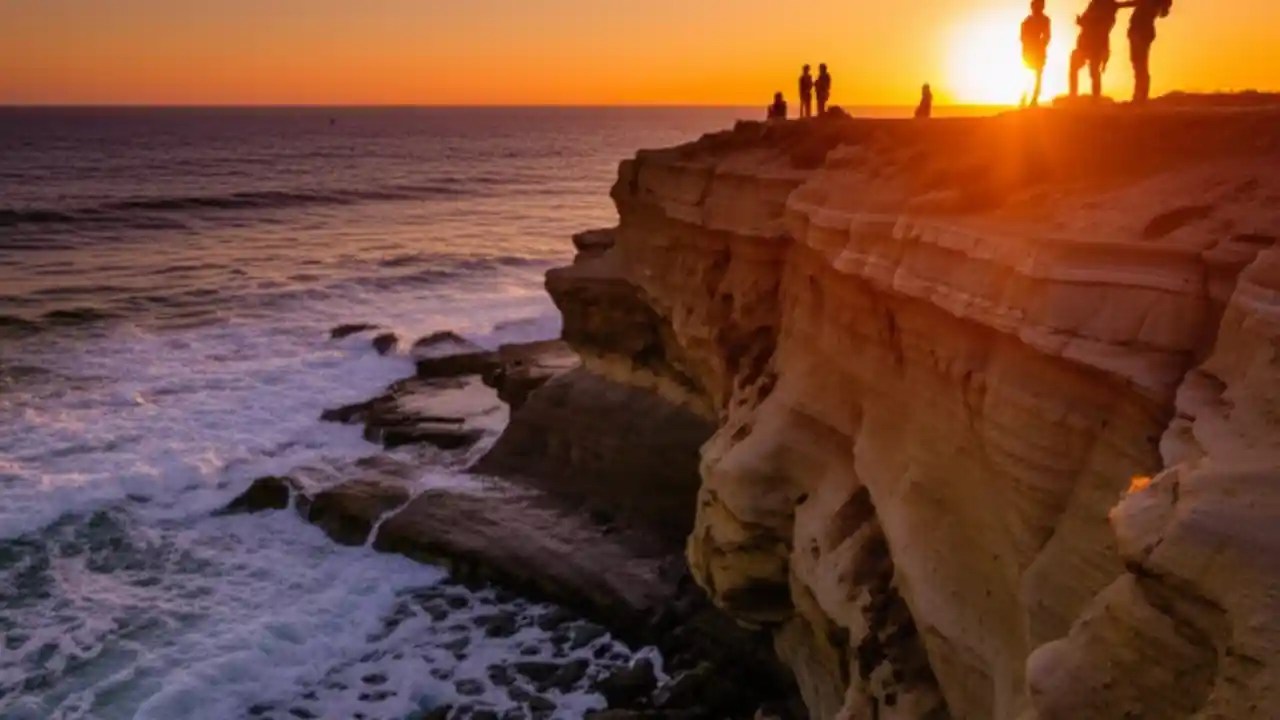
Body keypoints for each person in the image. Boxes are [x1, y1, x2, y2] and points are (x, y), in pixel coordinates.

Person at [1069, 0, 1135, 99]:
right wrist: (1081, 21)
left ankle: (1095, 98)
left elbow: (1102, 26)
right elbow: (1085, 21)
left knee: (1094, 71)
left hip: (1097, 45)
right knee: (1078, 67)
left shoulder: (1108, 5)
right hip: (1086, 44)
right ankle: (1074, 95)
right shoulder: (1094, 5)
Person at [1128, 0, 1172, 103]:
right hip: (1140, 30)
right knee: (1138, 64)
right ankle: (1140, 95)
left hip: (1141, 31)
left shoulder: (1151, 5)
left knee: (1140, 64)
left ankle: (1141, 96)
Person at [1021, 0, 1052, 106]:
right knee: (1029, 74)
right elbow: (1023, 36)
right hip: (1029, 51)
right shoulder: (1027, 21)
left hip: (1038, 50)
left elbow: (1047, 36)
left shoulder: (1045, 20)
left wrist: (1041, 45)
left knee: (1037, 75)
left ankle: (1034, 98)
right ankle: (1025, 97)